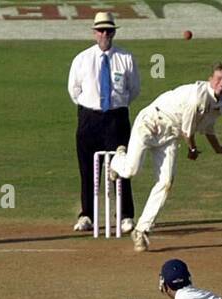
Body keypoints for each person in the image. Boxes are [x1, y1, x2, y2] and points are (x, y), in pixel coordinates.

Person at [109, 62, 222, 251]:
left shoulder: (221, 102)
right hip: (152, 123)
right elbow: (188, 132)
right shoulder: (197, 97)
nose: (221, 83)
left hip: (170, 136)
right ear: (210, 79)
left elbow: (208, 128)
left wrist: (218, 148)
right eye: (218, 79)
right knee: (131, 170)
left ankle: (141, 231)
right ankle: (117, 159)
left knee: (166, 182)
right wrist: (192, 150)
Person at [68, 12, 140, 234]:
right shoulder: (82, 59)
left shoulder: (125, 58)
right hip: (89, 118)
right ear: (94, 32)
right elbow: (74, 90)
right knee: (89, 168)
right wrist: (91, 107)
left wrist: (116, 106)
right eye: (101, 30)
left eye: (109, 30)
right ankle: (87, 215)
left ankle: (126, 215)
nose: (105, 34)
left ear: (114, 32)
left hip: (117, 119)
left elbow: (134, 89)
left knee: (122, 167)